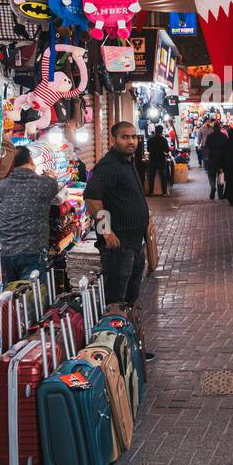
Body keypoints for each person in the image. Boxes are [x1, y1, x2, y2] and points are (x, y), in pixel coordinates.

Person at [84, 122, 156, 362]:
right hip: (118, 247)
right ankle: (113, 355)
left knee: (131, 299)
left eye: (134, 137)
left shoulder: (127, 162)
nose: (131, 141)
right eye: (125, 137)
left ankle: (130, 350)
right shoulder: (108, 165)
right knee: (116, 302)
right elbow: (92, 198)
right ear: (113, 139)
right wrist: (106, 232)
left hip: (134, 243)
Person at [0, 146, 60, 283]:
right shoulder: (44, 183)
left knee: (11, 293)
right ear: (31, 160)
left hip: (7, 250)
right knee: (33, 293)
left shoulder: (5, 184)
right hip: (32, 250)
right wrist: (51, 176)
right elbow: (53, 186)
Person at [146, 124, 172, 196]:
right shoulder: (163, 140)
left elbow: (148, 150)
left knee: (151, 176)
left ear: (155, 131)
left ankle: (151, 192)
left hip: (152, 159)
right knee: (163, 176)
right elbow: (167, 150)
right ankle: (164, 192)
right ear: (161, 131)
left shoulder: (150, 140)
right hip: (161, 159)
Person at [205, 124, 228, 200]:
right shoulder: (224, 136)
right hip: (222, 159)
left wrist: (207, 157)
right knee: (221, 176)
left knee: (212, 175)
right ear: (220, 128)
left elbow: (206, 147)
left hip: (212, 158)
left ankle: (213, 187)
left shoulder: (209, 136)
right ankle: (220, 194)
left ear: (213, 128)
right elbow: (226, 148)